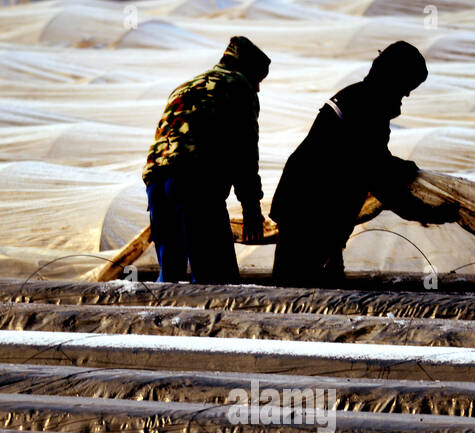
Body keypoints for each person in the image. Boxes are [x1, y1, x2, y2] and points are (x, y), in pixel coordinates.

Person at [270, 41, 456, 287]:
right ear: (394, 77)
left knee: (310, 287)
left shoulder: (359, 97)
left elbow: (366, 157)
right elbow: (376, 175)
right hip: (309, 212)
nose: (407, 94)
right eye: (406, 87)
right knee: (297, 293)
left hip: (307, 207)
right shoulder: (368, 107)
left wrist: (401, 168)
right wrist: (428, 213)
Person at [142, 36, 269, 283]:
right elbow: (244, 151)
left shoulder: (185, 85)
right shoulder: (238, 85)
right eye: (258, 80)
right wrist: (251, 209)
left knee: (169, 281)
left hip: (156, 183)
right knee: (217, 283)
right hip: (194, 183)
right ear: (247, 70)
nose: (258, 88)